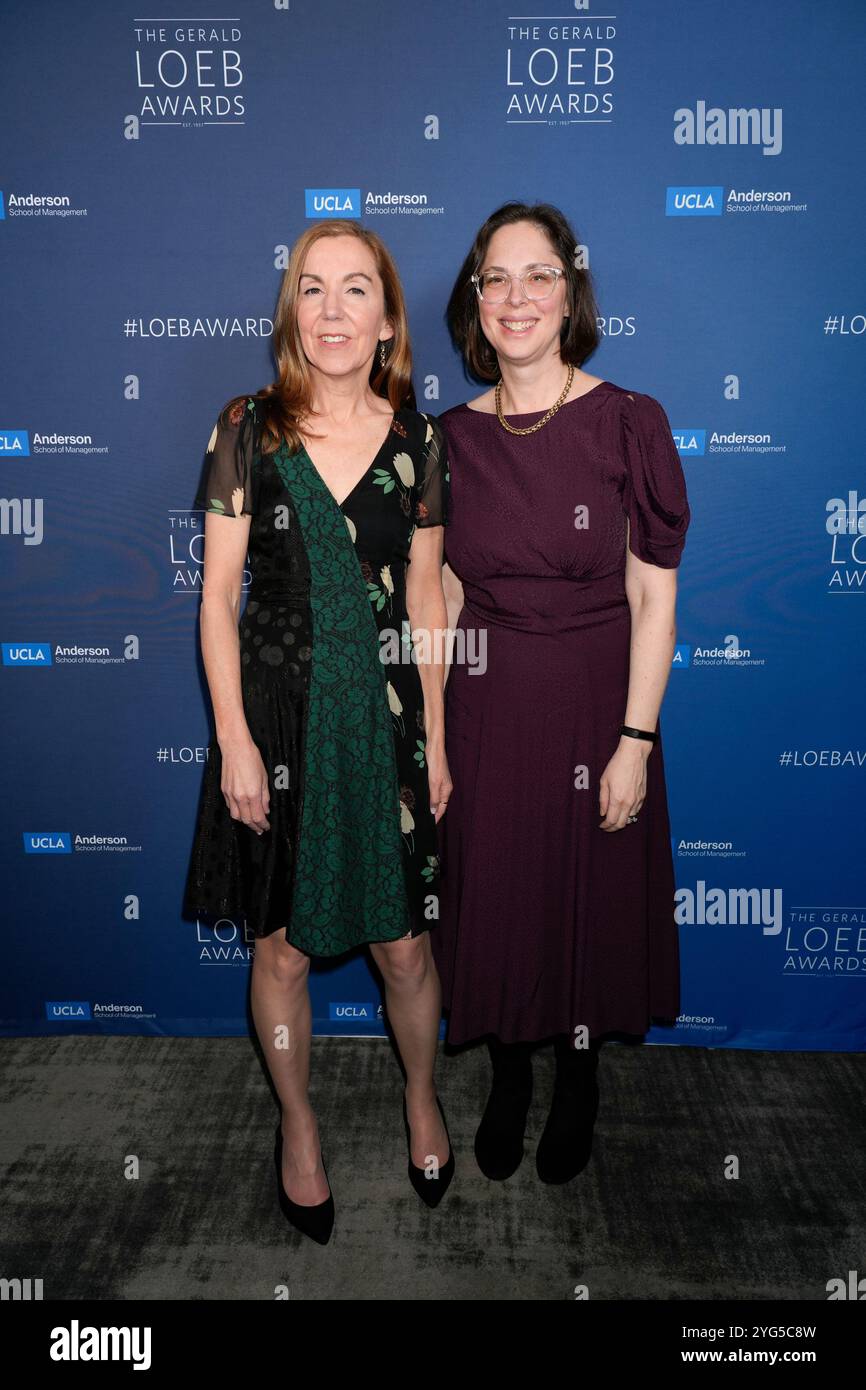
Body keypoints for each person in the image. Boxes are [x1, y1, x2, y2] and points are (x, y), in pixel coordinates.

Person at [182, 220, 454, 1242]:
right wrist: (237, 742)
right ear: (289, 311)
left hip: (385, 727)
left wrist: (440, 739)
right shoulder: (247, 427)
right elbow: (216, 600)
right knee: (283, 950)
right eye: (312, 289)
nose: (333, 311)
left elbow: (427, 602)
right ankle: (297, 1127)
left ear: (386, 317)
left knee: (406, 950)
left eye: (355, 291)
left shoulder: (421, 441)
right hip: (279, 717)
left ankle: (420, 1096)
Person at [432, 201, 691, 1186]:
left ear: (568, 291)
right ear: (474, 301)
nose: (515, 297)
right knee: (493, 891)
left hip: (594, 695)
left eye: (537, 275)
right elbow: (444, 594)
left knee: (586, 895)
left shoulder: (628, 422)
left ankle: (576, 1078)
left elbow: (649, 594)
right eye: (494, 278)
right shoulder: (448, 439)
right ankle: (507, 1073)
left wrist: (634, 737)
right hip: (485, 703)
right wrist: (430, 733)